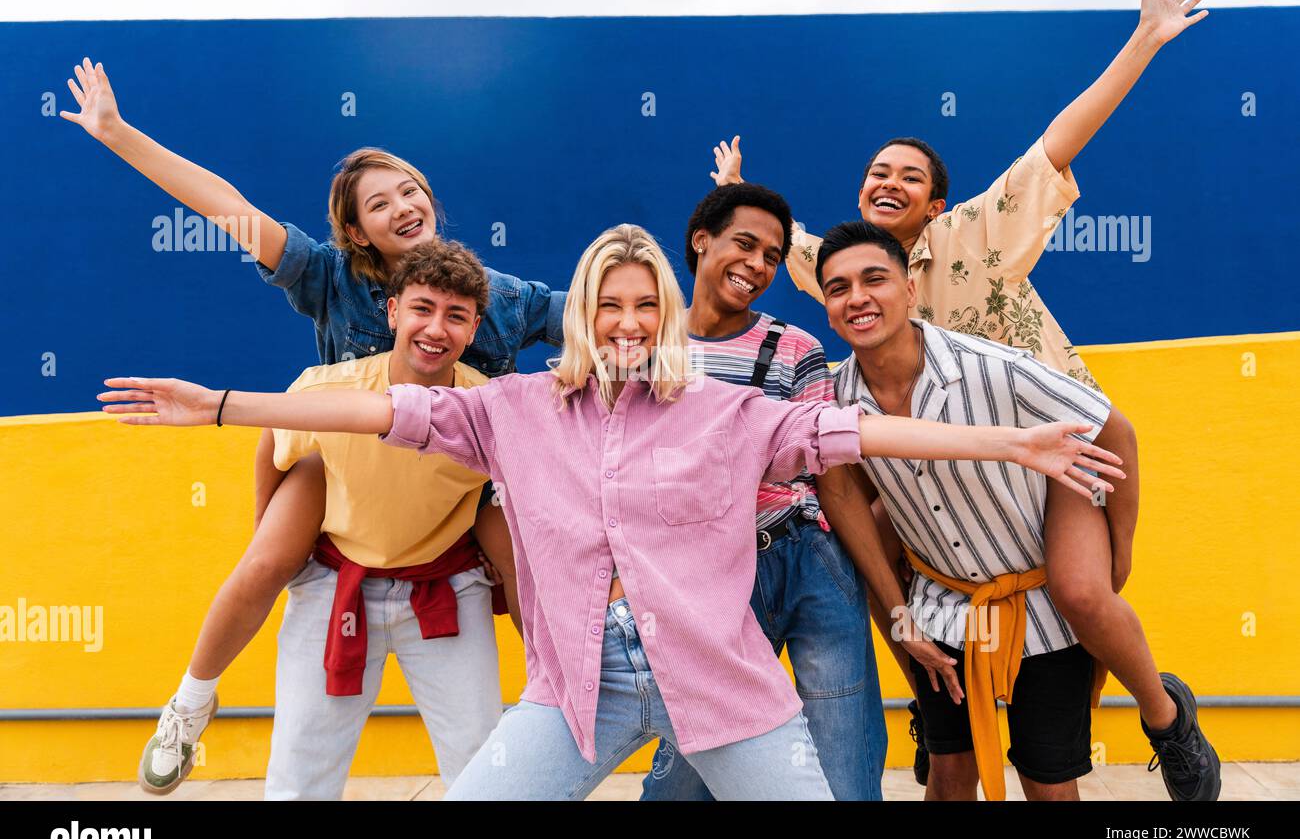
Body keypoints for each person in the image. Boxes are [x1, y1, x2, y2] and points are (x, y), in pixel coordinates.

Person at [100, 224, 1124, 801]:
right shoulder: (510, 411)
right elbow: (375, 409)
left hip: (719, 686)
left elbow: (856, 441)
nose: (627, 322)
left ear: (662, 316)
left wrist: (1011, 441)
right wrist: (222, 407)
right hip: (578, 689)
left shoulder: (728, 412)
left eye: (644, 305)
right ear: (584, 315)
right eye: (609, 304)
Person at [709, 0, 1207, 790]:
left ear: (937, 202)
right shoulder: (853, 272)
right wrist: (732, 194)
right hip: (938, 465)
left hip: (1046, 451)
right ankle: (932, 695)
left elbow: (1059, 142)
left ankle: (1167, 718)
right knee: (854, 534)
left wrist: (1144, 40)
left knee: (1081, 595)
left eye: (909, 174)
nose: (888, 181)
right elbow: (784, 239)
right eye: (877, 171)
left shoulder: (978, 232)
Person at [60, 58, 563, 792]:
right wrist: (118, 134)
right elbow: (228, 209)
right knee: (267, 559)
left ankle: (568, 692)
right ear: (356, 231)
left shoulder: (493, 295)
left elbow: (594, 313)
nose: (401, 205)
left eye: (410, 190)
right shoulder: (330, 278)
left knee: (521, 556)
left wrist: (688, 321)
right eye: (379, 202)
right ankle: (191, 700)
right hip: (344, 465)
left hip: (451, 481)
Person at [816, 219, 1220, 801]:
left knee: (1047, 784)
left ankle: (1168, 720)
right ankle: (932, 727)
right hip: (942, 608)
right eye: (838, 287)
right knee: (952, 776)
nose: (857, 297)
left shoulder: (995, 368)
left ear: (908, 289)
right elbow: (853, 505)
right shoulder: (834, 403)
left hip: (1043, 612)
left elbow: (1115, 431)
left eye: (874, 279)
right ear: (827, 306)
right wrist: (903, 620)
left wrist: (1119, 548)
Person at [639, 182, 905, 801]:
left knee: (844, 763)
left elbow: (834, 482)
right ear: (700, 241)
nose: (757, 265)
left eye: (772, 254)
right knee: (686, 770)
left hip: (812, 558)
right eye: (745, 245)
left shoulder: (795, 348)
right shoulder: (647, 350)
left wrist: (895, 606)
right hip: (711, 580)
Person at [268, 239, 503, 798]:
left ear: (473, 331)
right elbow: (271, 447)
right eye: (422, 308)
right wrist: (275, 552)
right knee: (300, 768)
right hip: (335, 581)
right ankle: (192, 698)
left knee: (486, 763)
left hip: (446, 586)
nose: (437, 328)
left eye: (456, 316)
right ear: (393, 311)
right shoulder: (326, 389)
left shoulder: (491, 407)